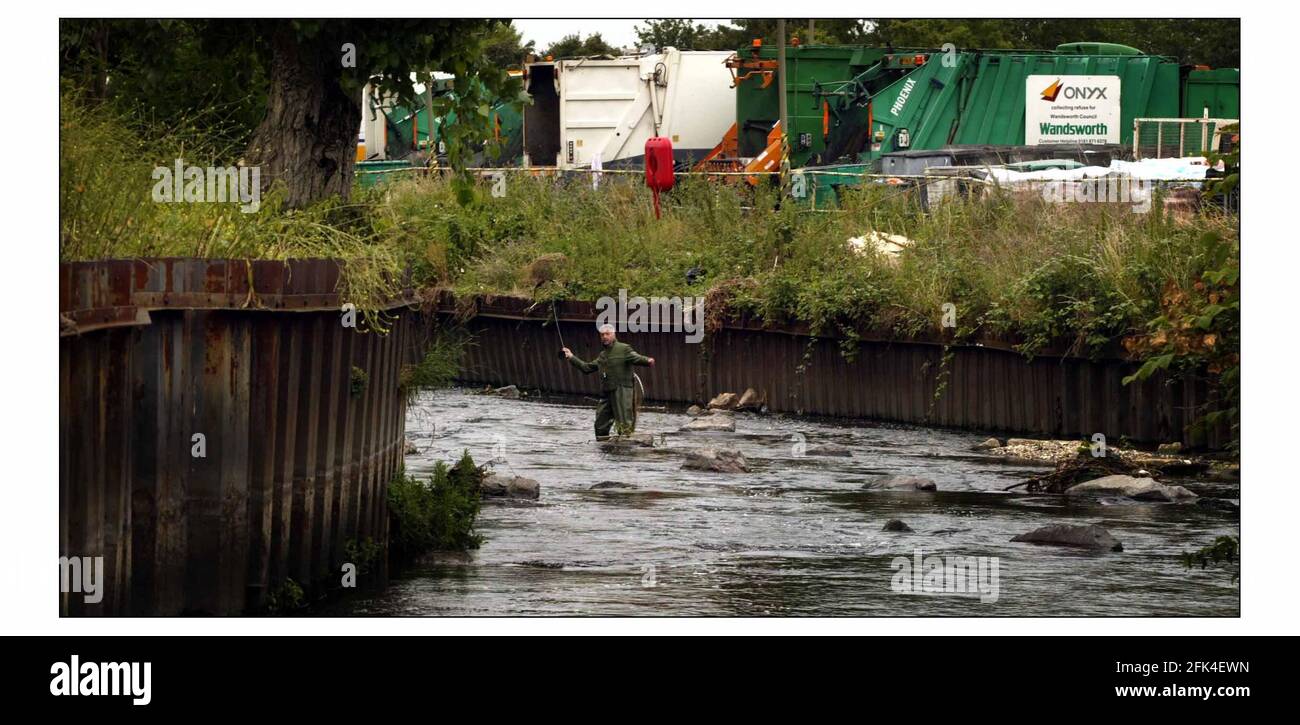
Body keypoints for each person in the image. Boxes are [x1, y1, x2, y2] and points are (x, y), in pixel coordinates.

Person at [563, 324, 655, 439]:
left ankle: (627, 448)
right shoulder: (602, 355)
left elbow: (636, 357)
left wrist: (647, 360)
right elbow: (586, 368)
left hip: (622, 390)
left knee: (624, 423)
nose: (604, 337)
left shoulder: (624, 348)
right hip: (606, 393)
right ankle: (603, 447)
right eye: (602, 335)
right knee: (600, 424)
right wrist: (571, 357)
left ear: (613, 334)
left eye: (607, 334)